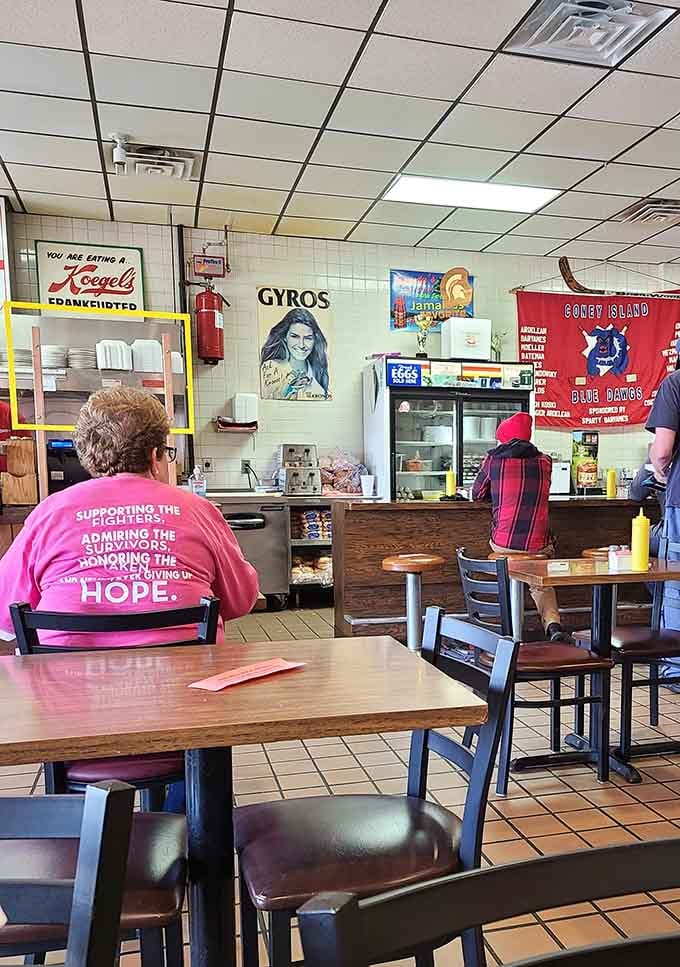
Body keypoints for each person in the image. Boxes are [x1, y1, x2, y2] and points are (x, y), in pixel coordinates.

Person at [0, 386, 259, 647]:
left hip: (65, 680)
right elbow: (240, 600)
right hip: (188, 681)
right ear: (154, 454)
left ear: (87, 455)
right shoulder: (199, 511)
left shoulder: (50, 513)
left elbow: (6, 613)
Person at [472, 411, 570, 642]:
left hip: (504, 545)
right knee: (540, 585)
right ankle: (553, 627)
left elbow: (477, 494)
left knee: (508, 572)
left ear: (504, 438)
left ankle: (511, 632)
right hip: (539, 545)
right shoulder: (545, 461)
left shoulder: (493, 461)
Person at [646, 340, 680, 687]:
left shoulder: (675, 383)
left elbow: (662, 450)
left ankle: (676, 668)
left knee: (677, 583)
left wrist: (662, 471)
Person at [260, 307, 330, 400]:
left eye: (308, 338)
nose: (301, 345)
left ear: (315, 340)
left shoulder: (320, 388)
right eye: (295, 336)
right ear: (285, 337)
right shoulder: (269, 369)